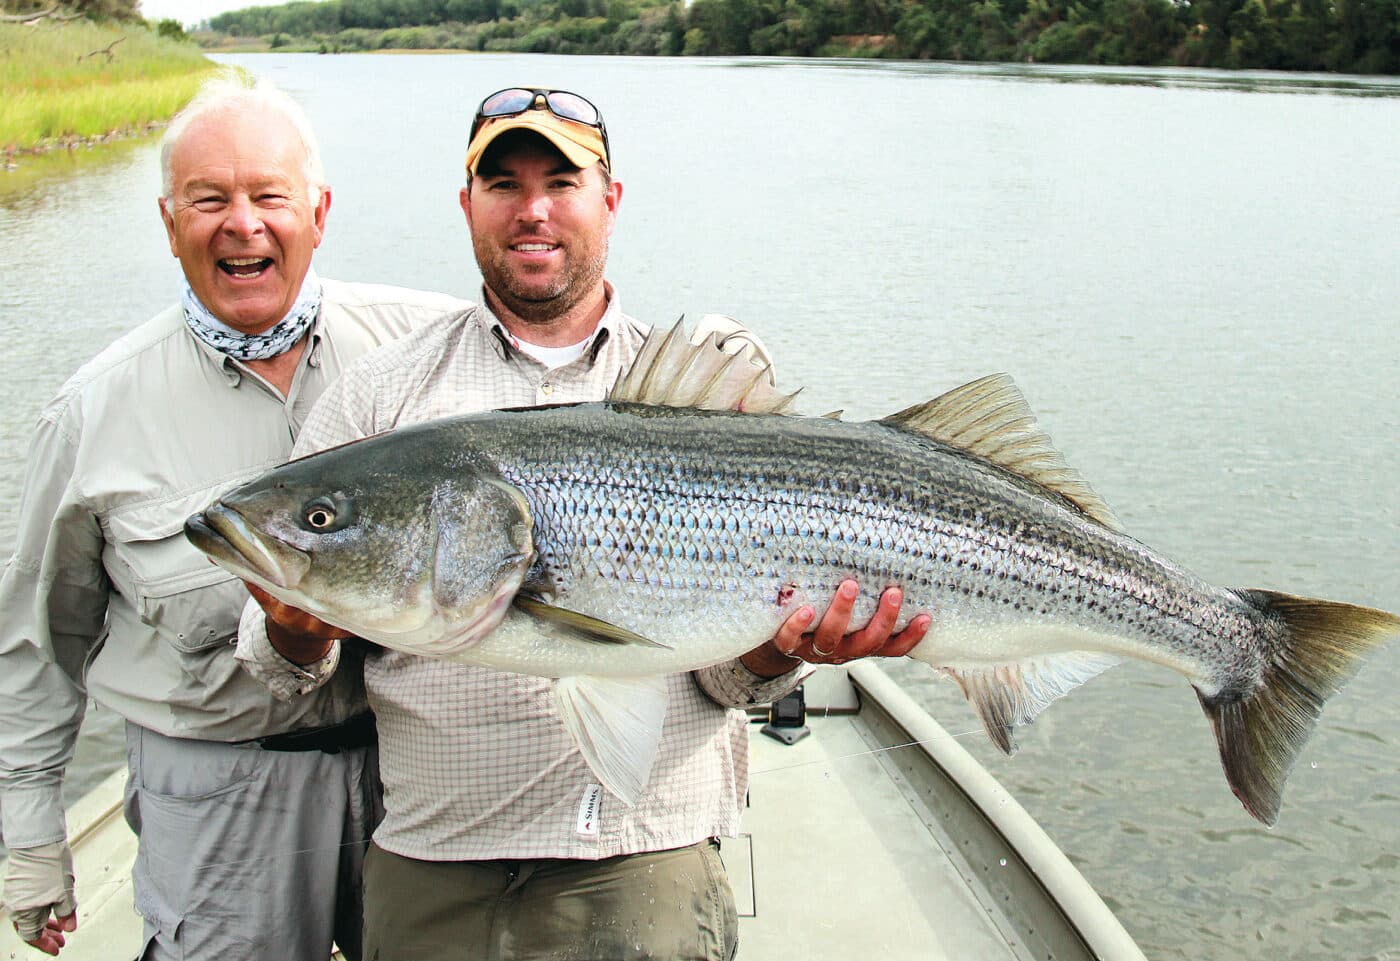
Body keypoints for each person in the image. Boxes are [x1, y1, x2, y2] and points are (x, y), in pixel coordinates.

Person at [237, 86, 931, 961]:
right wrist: (295, 630)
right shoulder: (381, 395)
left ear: (611, 199)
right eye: (503, 185)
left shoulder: (702, 397)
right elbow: (273, 666)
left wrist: (776, 653)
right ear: (467, 205)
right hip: (435, 857)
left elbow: (731, 684)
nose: (533, 210)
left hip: (645, 856)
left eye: (561, 182)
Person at [0, 73, 466, 960]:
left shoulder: (432, 350)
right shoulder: (91, 411)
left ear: (319, 213)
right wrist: (28, 836)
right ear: (169, 221)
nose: (242, 224)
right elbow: (35, 644)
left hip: (415, 774)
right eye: (209, 199)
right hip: (214, 798)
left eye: (269, 196)